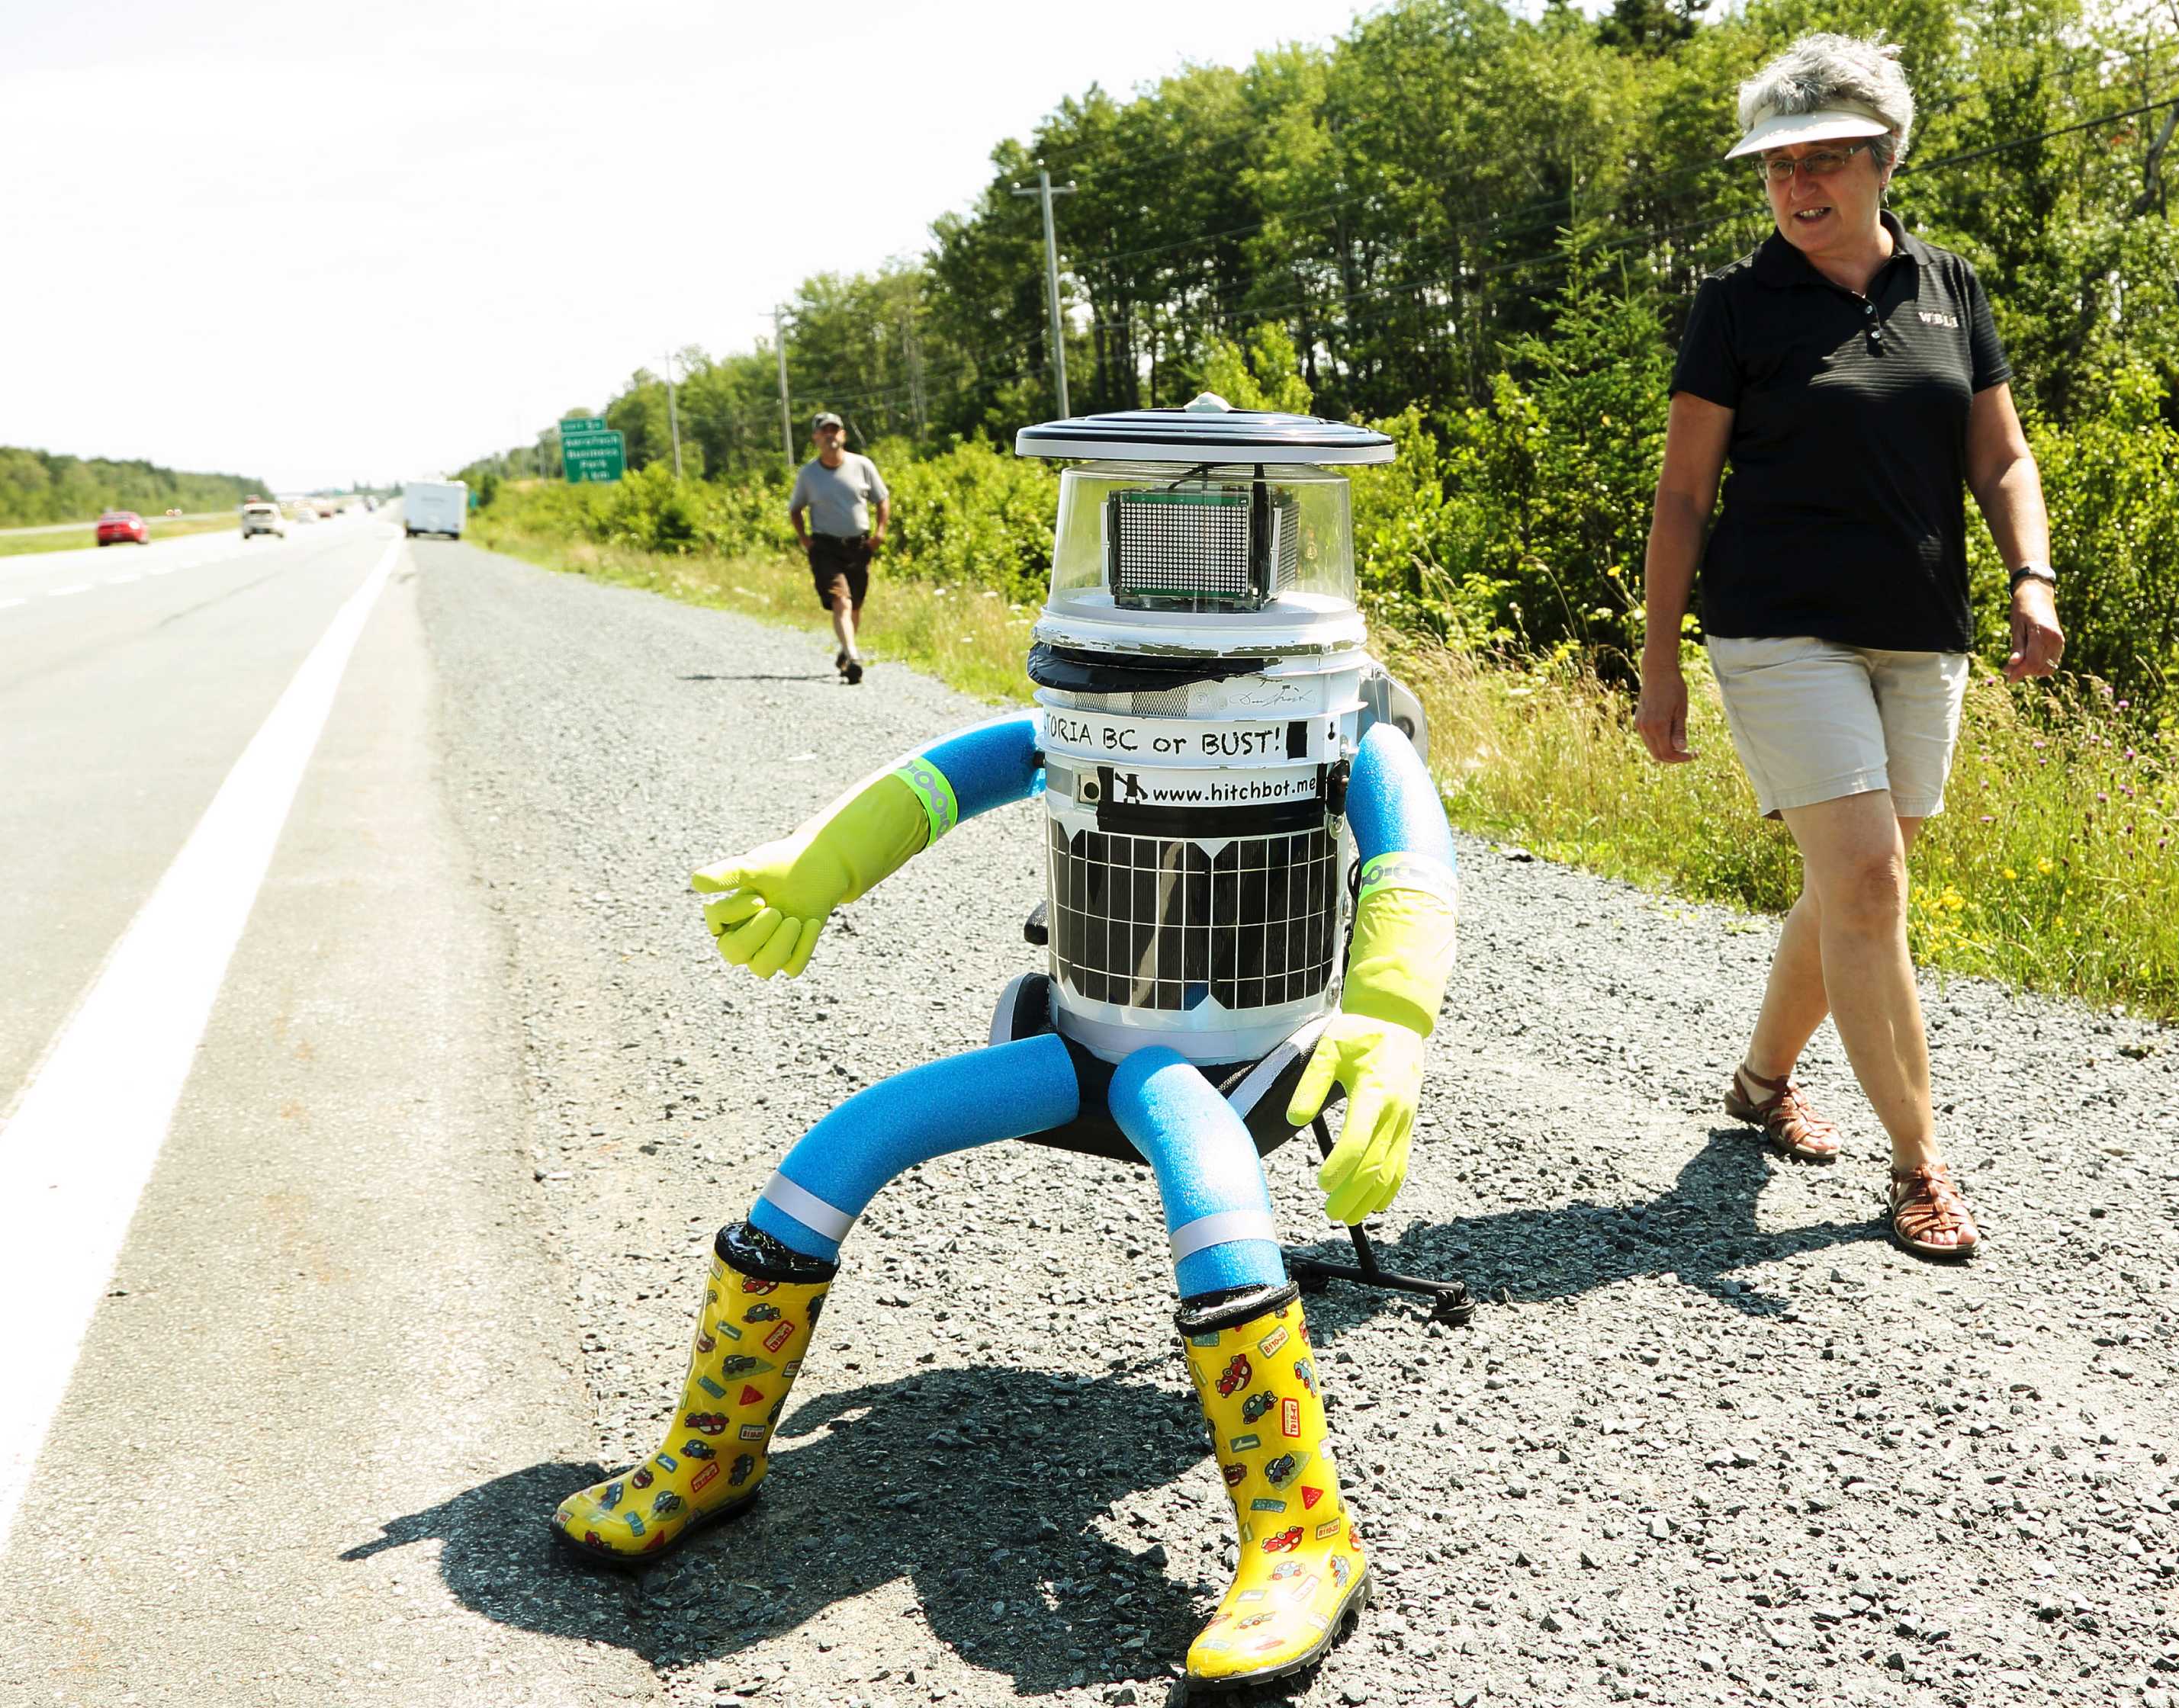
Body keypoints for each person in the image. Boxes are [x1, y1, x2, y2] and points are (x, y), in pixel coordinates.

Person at [548, 404, 1460, 1694]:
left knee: (1216, 1205)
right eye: (1143, 524)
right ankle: (715, 1450)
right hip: (1080, 1031)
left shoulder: (1343, 721)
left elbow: (1411, 864)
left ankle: (1302, 1531)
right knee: (839, 1150)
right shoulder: (1091, 703)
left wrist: (1389, 1023)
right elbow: (952, 775)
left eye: (1218, 534)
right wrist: (820, 870)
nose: (1182, 573)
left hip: (1238, 1062)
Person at [1632, 33, 2065, 1260]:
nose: (1798, 184)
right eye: (1777, 166)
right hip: (1778, 629)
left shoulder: (1952, 288)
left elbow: (2002, 455)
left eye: (1825, 158)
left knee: (1849, 886)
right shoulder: (1736, 308)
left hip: (1923, 631)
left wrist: (2031, 569)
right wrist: (1659, 663)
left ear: (1883, 159)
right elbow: (1681, 497)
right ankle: (1921, 1168)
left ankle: (1762, 1085)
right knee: (1873, 885)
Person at [788, 412, 889, 684]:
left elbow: (882, 499)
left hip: (858, 546)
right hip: (825, 547)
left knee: (854, 606)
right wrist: (805, 540)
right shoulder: (809, 474)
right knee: (840, 601)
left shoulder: (862, 465)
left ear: (843, 435)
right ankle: (854, 656)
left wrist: (879, 533)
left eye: (836, 430)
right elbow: (795, 509)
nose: (831, 435)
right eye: (825, 431)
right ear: (816, 438)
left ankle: (846, 651)